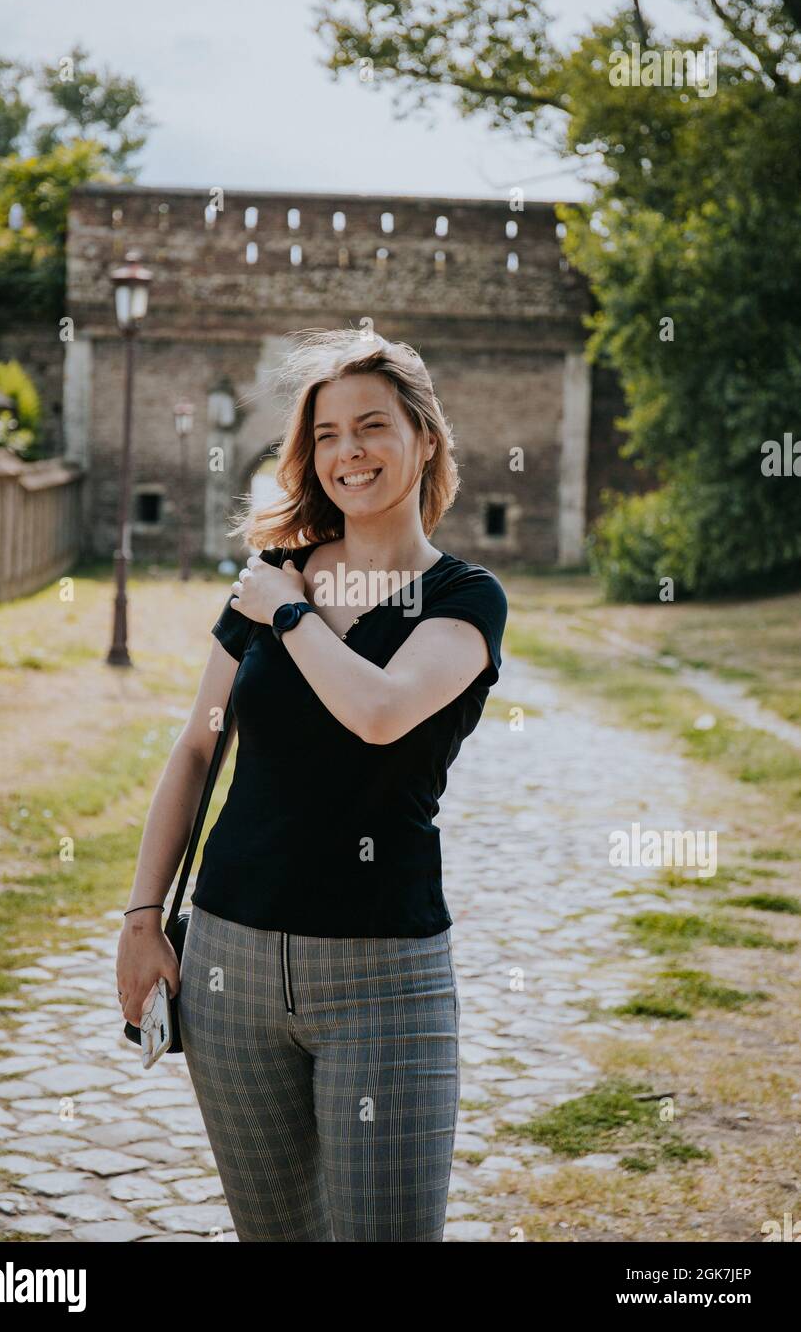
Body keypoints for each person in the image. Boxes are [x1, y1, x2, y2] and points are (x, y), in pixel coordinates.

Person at [117, 329, 508, 1242]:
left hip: (383, 976)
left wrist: (289, 614)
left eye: (372, 426)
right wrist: (141, 918)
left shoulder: (463, 597)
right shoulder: (270, 576)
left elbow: (378, 711)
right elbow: (195, 751)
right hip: (227, 964)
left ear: (425, 438)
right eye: (327, 435)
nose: (349, 453)